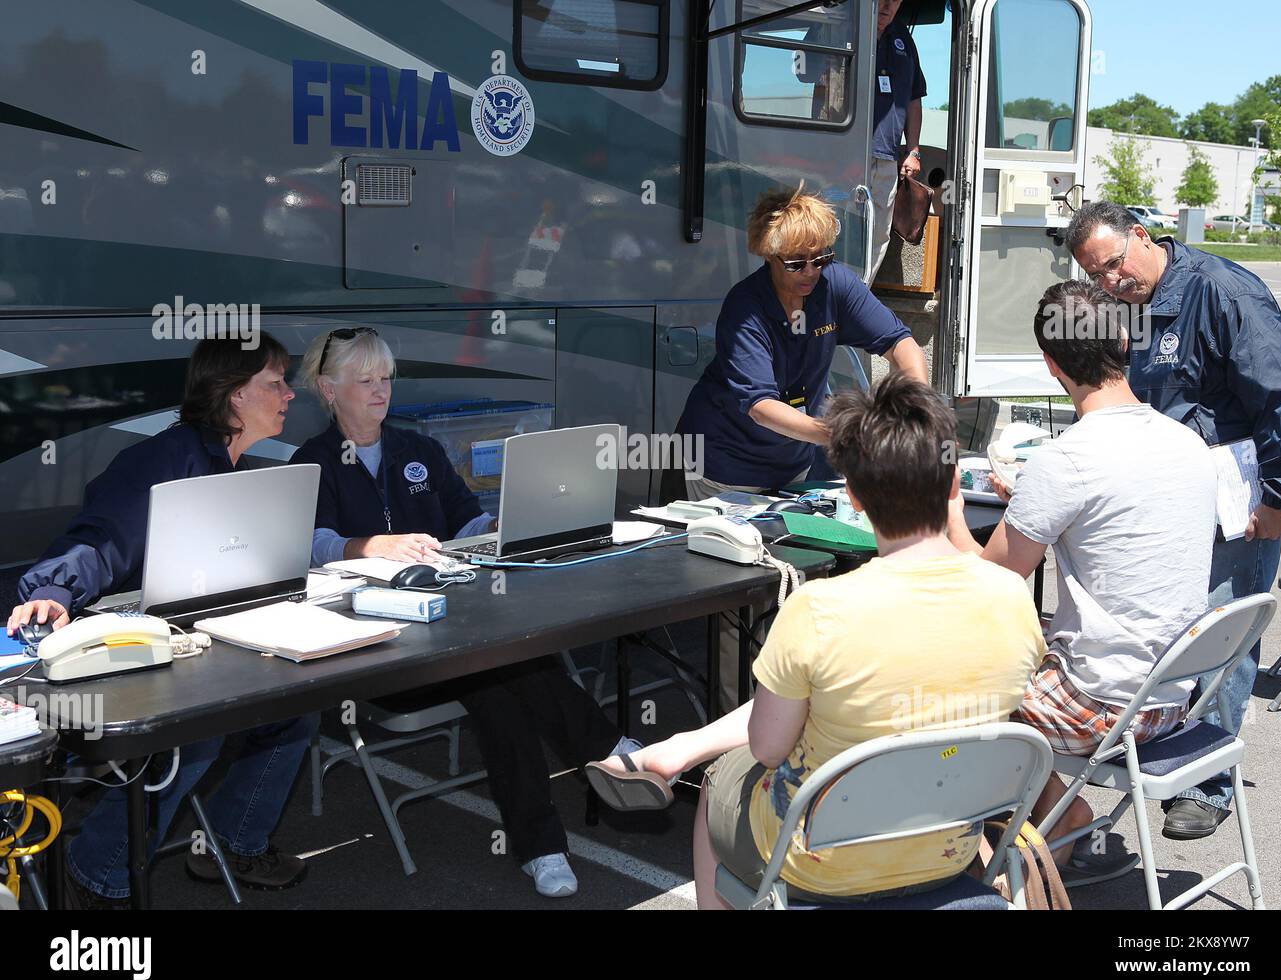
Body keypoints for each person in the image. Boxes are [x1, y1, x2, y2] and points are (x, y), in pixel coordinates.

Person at [588, 374, 1045, 909]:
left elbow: (767, 748)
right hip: (947, 852)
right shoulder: (1012, 598)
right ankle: (679, 748)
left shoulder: (818, 610)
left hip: (822, 866)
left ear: (853, 495)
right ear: (952, 486)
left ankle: (682, 754)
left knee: (723, 778)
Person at [290, 327, 643, 899]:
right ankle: (607, 755)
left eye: (387, 378)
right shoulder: (315, 462)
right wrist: (371, 546)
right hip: (382, 642)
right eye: (366, 380)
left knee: (499, 671)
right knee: (500, 672)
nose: (381, 391)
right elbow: (311, 546)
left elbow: (464, 521)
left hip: (452, 622)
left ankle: (545, 844)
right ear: (329, 390)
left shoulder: (419, 450)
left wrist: (504, 524)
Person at [6, 334, 312, 907]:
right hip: (146, 647)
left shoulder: (242, 466)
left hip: (219, 638)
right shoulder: (163, 459)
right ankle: (98, 871)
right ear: (235, 394)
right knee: (197, 733)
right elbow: (100, 539)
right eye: (276, 383)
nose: (289, 394)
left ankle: (230, 843)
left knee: (297, 708)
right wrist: (54, 590)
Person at [946, 281, 1218, 865]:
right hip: (1174, 694)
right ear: (1123, 340)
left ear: (1051, 364)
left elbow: (989, 583)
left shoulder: (1067, 459)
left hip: (1105, 705)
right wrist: (1035, 503)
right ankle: (1055, 810)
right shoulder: (1189, 442)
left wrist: (948, 510)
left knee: (944, 686)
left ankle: (1039, 830)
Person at [1064, 201, 1281, 840]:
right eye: (1095, 275)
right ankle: (1156, 744)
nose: (1110, 282)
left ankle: (1208, 786)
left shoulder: (1223, 292)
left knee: (1222, 634)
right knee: (1166, 628)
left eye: (1114, 265)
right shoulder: (1129, 303)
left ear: (1142, 236)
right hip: (1168, 497)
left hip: (1236, 501)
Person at [678, 181, 926, 502]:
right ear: (769, 255)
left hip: (792, 460)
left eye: (820, 258)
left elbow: (899, 342)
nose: (810, 272)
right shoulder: (745, 307)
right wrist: (845, 434)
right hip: (725, 462)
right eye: (796, 263)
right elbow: (761, 407)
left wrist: (920, 406)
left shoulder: (835, 284)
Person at [867, 0, 925, 282]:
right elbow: (807, 76)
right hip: (844, 152)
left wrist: (913, 151)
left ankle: (858, 296)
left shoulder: (904, 39)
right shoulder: (843, 24)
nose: (888, 5)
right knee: (836, 228)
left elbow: (914, 99)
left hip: (887, 158)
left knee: (878, 234)